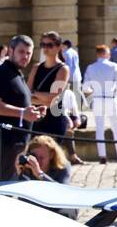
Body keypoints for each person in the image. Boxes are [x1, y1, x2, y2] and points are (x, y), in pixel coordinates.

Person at [0, 35, 45, 180]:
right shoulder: (3, 73)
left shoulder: (16, 72)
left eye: (28, 53)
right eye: (21, 52)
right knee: (5, 185)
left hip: (18, 141)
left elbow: (17, 101)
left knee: (16, 184)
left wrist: (33, 110)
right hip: (6, 141)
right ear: (11, 50)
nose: (25, 56)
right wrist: (23, 113)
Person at [28, 31, 79, 163]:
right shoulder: (36, 68)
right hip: (37, 118)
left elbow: (54, 98)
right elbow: (27, 95)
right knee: (34, 158)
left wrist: (36, 94)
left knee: (51, 160)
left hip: (55, 119)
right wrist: (42, 97)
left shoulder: (63, 69)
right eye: (43, 45)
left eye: (49, 45)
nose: (45, 48)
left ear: (58, 47)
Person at [82, 44, 117, 163]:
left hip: (97, 99)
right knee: (116, 127)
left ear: (97, 54)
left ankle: (102, 156)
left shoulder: (91, 67)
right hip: (110, 98)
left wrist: (94, 91)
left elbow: (85, 87)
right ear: (106, 54)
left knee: (99, 128)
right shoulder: (113, 66)